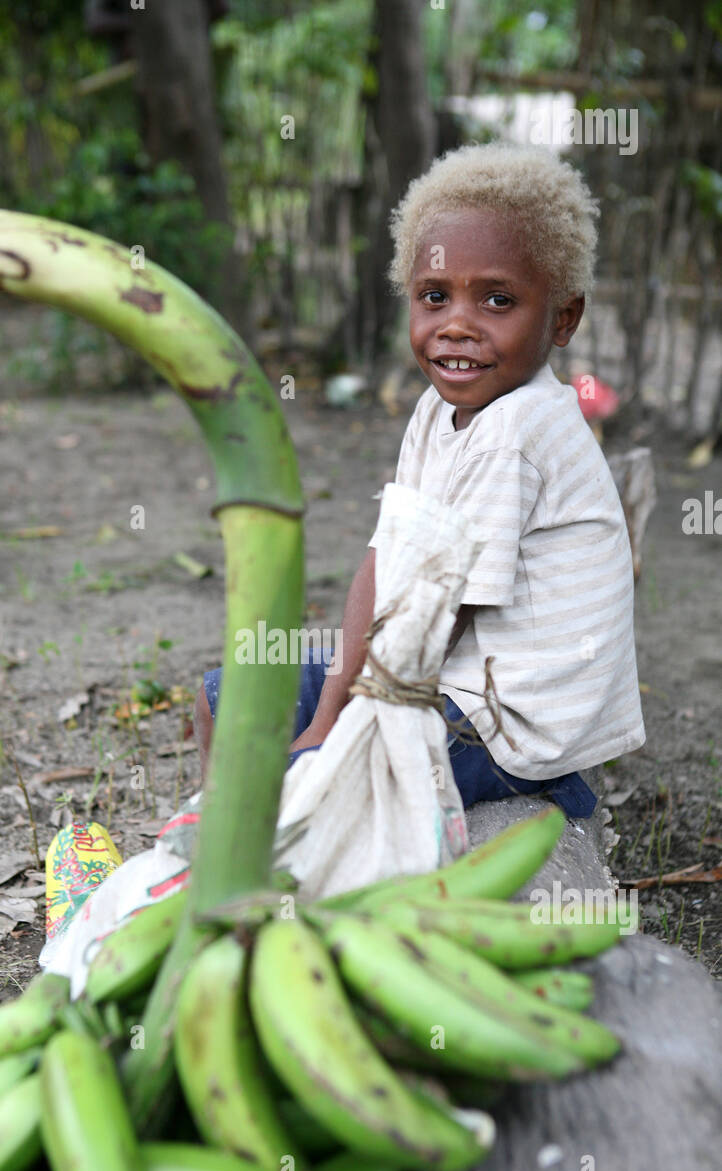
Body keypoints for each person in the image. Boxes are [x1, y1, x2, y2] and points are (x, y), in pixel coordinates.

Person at [193, 141, 645, 817]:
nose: (457, 325)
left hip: (508, 729)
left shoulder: (517, 430)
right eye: (435, 296)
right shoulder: (439, 410)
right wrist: (326, 714)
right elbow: (385, 560)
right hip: (446, 681)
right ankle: (214, 840)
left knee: (320, 784)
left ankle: (264, 856)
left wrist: (335, 733)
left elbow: (436, 619)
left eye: (497, 300)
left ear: (563, 318)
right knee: (223, 699)